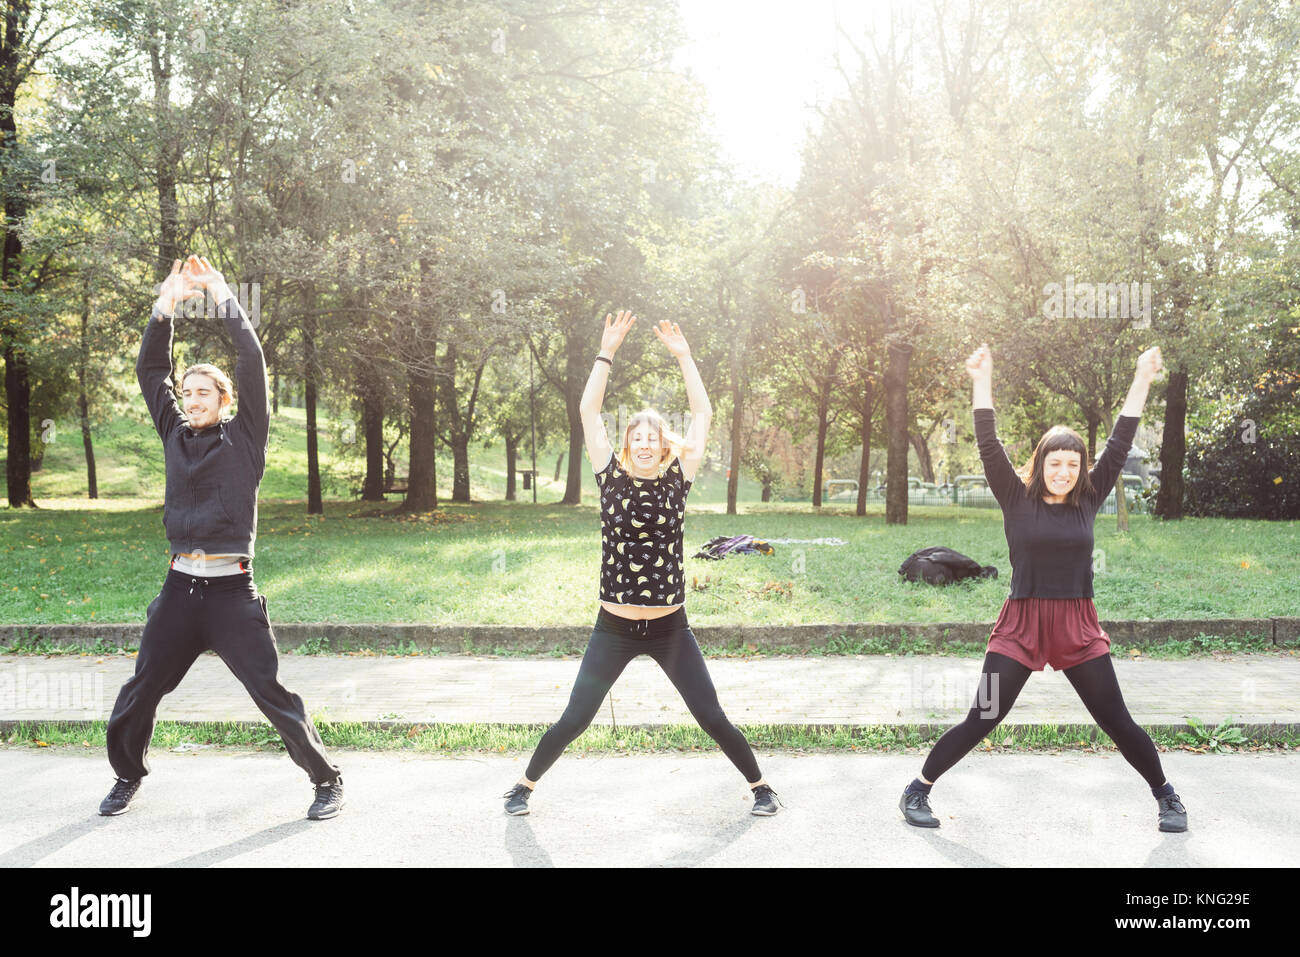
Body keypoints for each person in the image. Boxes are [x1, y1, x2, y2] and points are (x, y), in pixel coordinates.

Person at [899, 342, 1187, 833]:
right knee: (983, 715)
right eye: (1056, 463)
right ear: (1042, 463)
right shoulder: (1015, 496)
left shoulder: (1089, 498)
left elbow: (1120, 440)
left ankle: (1167, 797)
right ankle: (918, 789)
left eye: (1073, 464)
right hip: (1022, 625)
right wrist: (981, 380)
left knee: (1116, 719)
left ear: (1081, 469)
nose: (1064, 472)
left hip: (1077, 625)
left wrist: (1141, 378)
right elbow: (988, 442)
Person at [503, 311, 780, 816]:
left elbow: (704, 414)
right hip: (613, 628)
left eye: (656, 438)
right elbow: (589, 412)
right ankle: (523, 785)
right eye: (639, 438)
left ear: (664, 446)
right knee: (575, 718)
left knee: (711, 715)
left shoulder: (679, 479)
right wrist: (605, 351)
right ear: (628, 444)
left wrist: (684, 357)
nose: (647, 444)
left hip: (671, 628)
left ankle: (762, 787)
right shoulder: (610, 478)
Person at [99, 256, 344, 821]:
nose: (191, 399)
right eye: (186, 392)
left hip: (233, 595)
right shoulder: (174, 433)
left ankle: (326, 780)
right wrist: (166, 305)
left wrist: (221, 294)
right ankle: (127, 774)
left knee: (271, 695)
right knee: (140, 692)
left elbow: (251, 359)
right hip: (180, 590)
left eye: (203, 392)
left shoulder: (245, 437)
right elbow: (149, 367)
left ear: (225, 400)